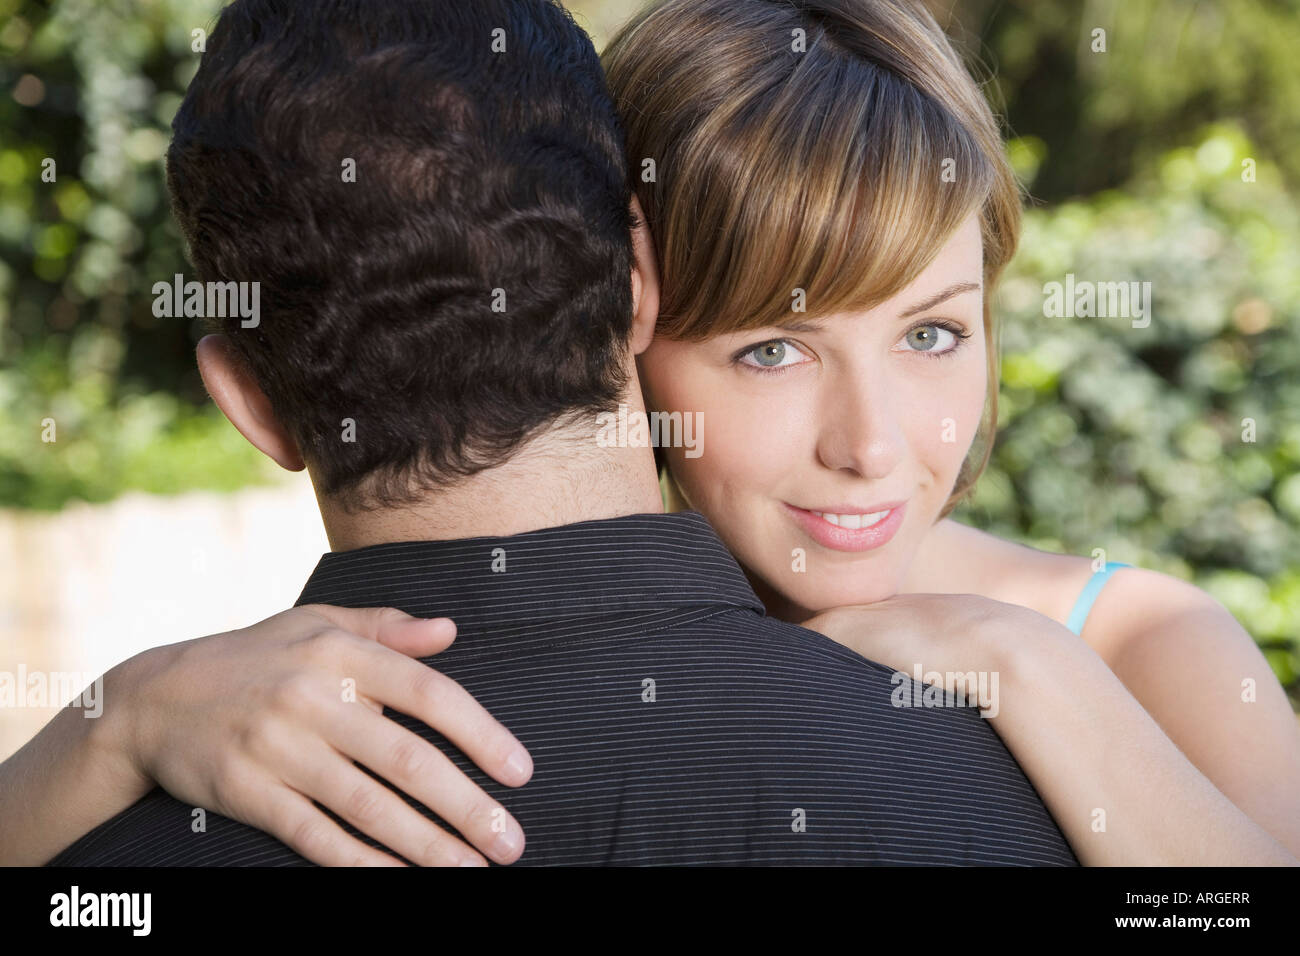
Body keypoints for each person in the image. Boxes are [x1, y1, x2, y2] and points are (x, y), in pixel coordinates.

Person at [7, 0, 1298, 866]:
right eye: (773, 350)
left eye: (935, 334)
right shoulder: (396, 662)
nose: (874, 443)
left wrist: (1038, 672)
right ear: (638, 302)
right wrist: (117, 716)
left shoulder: (1143, 647)